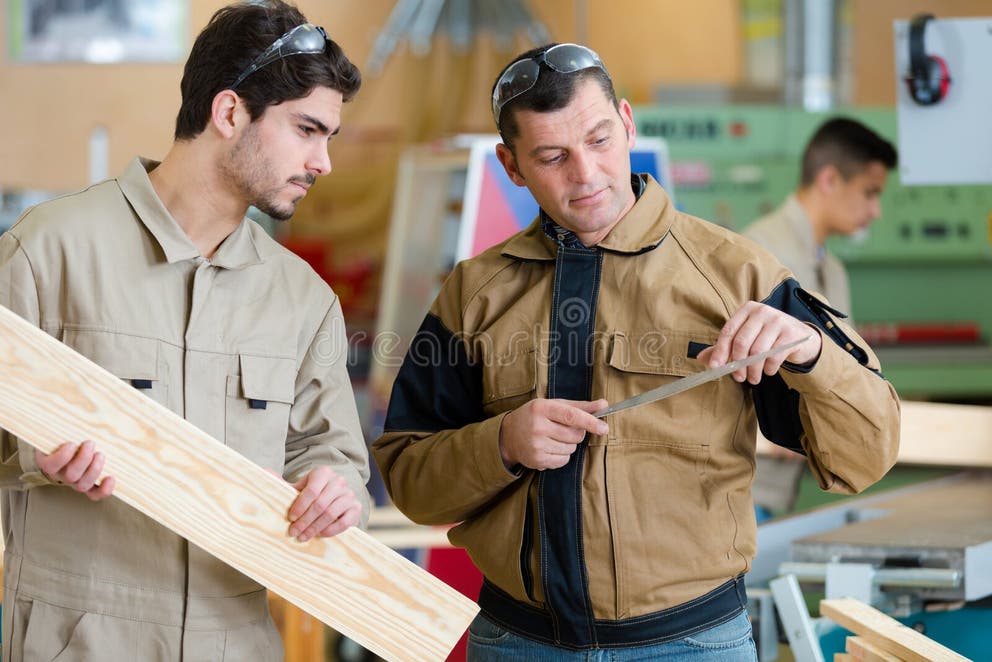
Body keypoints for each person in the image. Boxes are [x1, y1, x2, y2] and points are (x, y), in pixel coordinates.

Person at [373, 43, 900, 660]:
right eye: (552, 157)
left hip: (691, 644)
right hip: (519, 643)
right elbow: (410, 480)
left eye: (599, 140)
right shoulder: (474, 294)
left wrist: (813, 352)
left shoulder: (737, 274)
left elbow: (868, 455)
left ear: (627, 123)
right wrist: (502, 445)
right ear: (511, 166)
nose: (586, 174)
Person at [0, 2, 369, 659]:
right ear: (229, 113)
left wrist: (335, 491)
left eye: (329, 137)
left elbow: (331, 455)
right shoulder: (46, 253)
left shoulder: (301, 300)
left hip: (237, 640)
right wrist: (38, 458)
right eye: (307, 129)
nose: (324, 162)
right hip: (79, 639)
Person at [744, 117, 897, 522]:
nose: (876, 211)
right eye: (870, 193)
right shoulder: (756, 255)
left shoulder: (833, 272)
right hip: (746, 488)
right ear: (829, 179)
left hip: (785, 486)